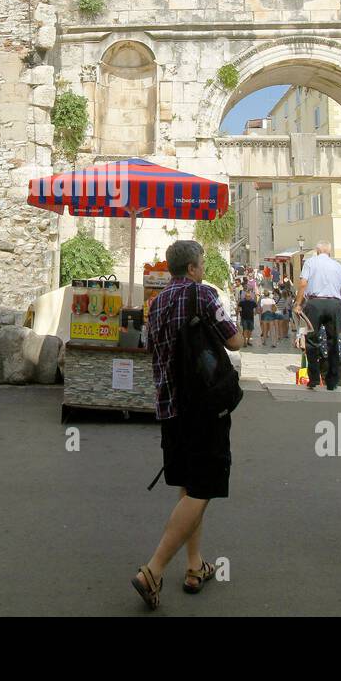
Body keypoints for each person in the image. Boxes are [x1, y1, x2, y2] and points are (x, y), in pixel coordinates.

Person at [131, 240, 243, 611]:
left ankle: (195, 567)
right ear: (193, 268)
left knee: (189, 487)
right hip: (204, 408)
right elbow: (235, 341)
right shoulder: (204, 295)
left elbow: (152, 349)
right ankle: (154, 569)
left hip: (169, 408)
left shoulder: (157, 302)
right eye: (203, 263)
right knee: (203, 487)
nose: (203, 268)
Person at [294, 242, 341, 390]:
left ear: (317, 251)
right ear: (329, 252)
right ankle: (332, 381)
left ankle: (313, 378)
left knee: (311, 341)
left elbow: (303, 284)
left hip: (315, 304)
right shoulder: (337, 265)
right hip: (334, 304)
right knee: (333, 341)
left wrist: (298, 303)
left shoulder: (310, 263)